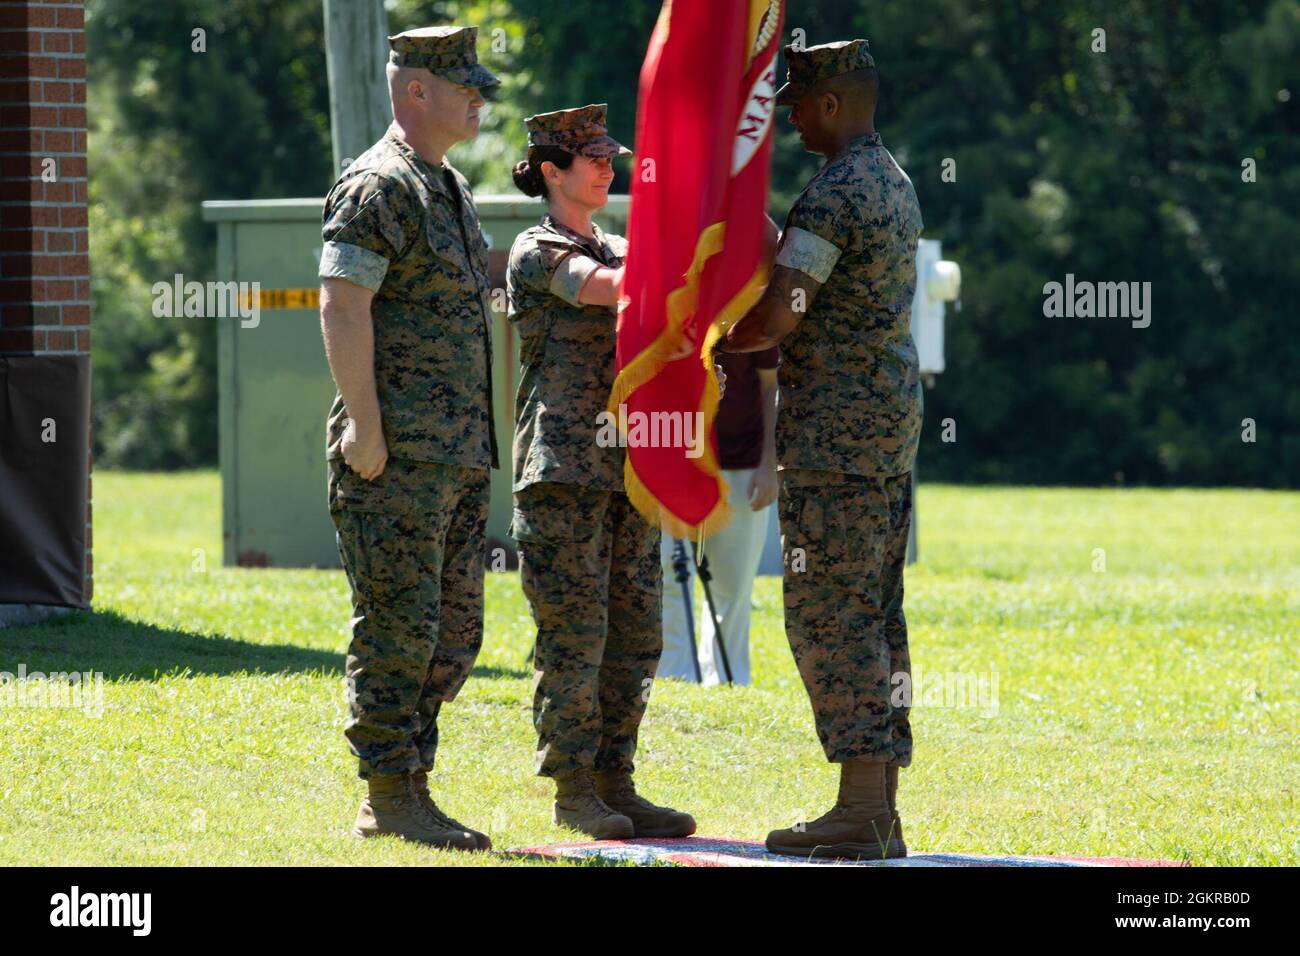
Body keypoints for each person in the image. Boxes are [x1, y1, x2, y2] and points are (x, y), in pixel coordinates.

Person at [719, 38, 923, 860]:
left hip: (836, 437)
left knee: (830, 613)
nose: (791, 116)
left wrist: (707, 345)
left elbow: (785, 313)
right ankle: (877, 806)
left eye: (799, 102)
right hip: (883, 428)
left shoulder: (836, 194)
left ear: (832, 104)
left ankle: (863, 809)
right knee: (873, 611)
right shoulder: (895, 181)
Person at [318, 25, 500, 851]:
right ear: (415, 90)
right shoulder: (379, 184)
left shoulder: (447, 186)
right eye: (462, 83)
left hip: (456, 453)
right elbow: (342, 303)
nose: (478, 97)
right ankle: (390, 793)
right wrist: (363, 420)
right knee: (398, 626)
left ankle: (408, 782)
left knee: (454, 632)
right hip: (395, 453)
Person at [507, 103, 696, 840]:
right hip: (565, 470)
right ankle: (573, 789)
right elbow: (613, 291)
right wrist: (683, 245)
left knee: (636, 635)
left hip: (632, 467)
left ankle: (618, 779)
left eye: (610, 155)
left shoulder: (623, 245)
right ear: (552, 171)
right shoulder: (538, 247)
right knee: (574, 635)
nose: (605, 167)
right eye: (590, 157)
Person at [658, 347, 780, 686]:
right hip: (674, 458)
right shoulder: (668, 298)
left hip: (741, 462)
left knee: (734, 585)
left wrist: (769, 463)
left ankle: (727, 681)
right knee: (668, 570)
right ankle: (674, 676)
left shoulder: (754, 300)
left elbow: (771, 385)